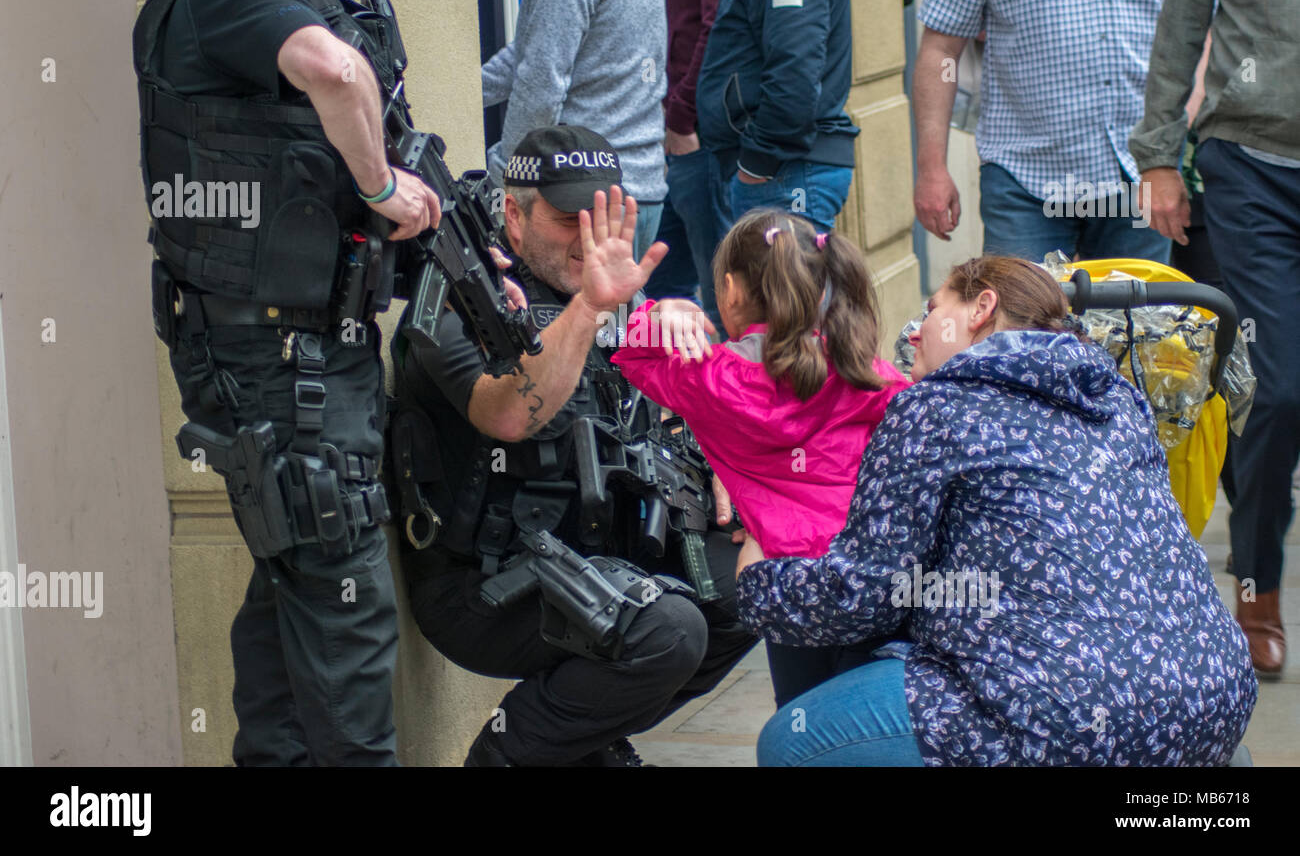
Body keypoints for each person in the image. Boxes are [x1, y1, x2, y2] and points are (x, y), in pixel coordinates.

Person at [133, 0, 441, 765]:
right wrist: (383, 191)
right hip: (275, 361)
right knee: (345, 605)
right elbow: (336, 76)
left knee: (295, 585)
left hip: (306, 354)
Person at [739, 256, 1257, 766]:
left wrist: (759, 579)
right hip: (1213, 700)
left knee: (791, 743)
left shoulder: (934, 405)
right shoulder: (1118, 397)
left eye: (931, 309)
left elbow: (861, 599)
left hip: (1068, 716)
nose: (915, 332)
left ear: (981, 307)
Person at [392, 126, 756, 766]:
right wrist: (590, 307)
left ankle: (575, 741)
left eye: (602, 217)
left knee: (758, 587)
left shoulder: (615, 293)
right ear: (514, 213)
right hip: (489, 581)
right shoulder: (463, 295)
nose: (588, 241)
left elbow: (674, 408)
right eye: (567, 221)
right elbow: (507, 415)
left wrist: (722, 453)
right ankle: (507, 756)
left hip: (599, 554)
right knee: (669, 633)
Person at [612, 210, 909, 706]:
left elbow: (632, 354)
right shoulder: (868, 375)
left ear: (729, 291)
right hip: (873, 569)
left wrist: (660, 314)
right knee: (865, 714)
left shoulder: (709, 380)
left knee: (803, 717)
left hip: (785, 575)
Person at [1131, 0, 1300, 679]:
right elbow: (1182, 17)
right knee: (1277, 388)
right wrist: (1160, 153)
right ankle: (1258, 586)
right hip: (1250, 165)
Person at [912, 0, 1183, 263]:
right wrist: (932, 168)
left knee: (1137, 319)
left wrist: (1169, 143)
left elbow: (1201, 30)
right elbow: (942, 47)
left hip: (1140, 175)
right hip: (1024, 182)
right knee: (1020, 318)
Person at [481, 0, 667, 258]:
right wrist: (456, 92)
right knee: (616, 316)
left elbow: (539, 91)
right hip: (641, 191)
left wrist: (503, 181)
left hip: (583, 201)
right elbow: (526, 55)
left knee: (559, 317)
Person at [696, 0, 860, 234]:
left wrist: (756, 166)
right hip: (783, 169)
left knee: (784, 288)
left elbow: (794, 71)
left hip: (784, 173)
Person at [644, 0, 733, 327]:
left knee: (723, 299)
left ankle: (729, 393)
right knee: (663, 291)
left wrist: (681, 117)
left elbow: (718, 21)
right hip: (687, 135)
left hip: (697, 137)